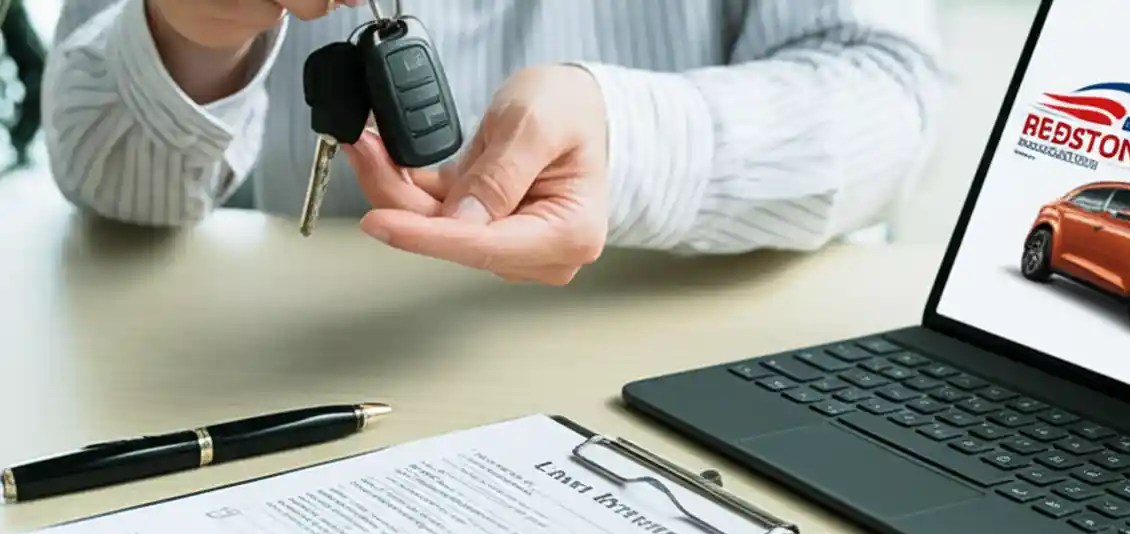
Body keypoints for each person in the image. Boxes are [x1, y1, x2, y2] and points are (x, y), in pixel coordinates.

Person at [43, 0, 942, 285]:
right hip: (277, 369)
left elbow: (888, 94)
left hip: (666, 363)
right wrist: (191, 29)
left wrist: (628, 137)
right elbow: (111, 183)